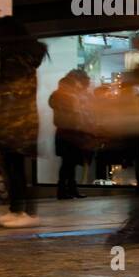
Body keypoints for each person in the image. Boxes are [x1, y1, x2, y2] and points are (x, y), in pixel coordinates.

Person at [0, 16, 47, 229]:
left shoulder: (12, 57)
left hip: (15, 119)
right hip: (23, 118)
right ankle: (18, 210)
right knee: (14, 166)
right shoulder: (24, 56)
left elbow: (15, 87)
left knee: (13, 167)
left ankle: (23, 212)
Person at [49, 70, 90, 200]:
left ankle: (68, 190)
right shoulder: (69, 97)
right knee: (69, 164)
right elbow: (77, 115)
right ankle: (66, 190)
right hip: (71, 133)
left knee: (68, 163)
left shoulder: (56, 96)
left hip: (61, 133)